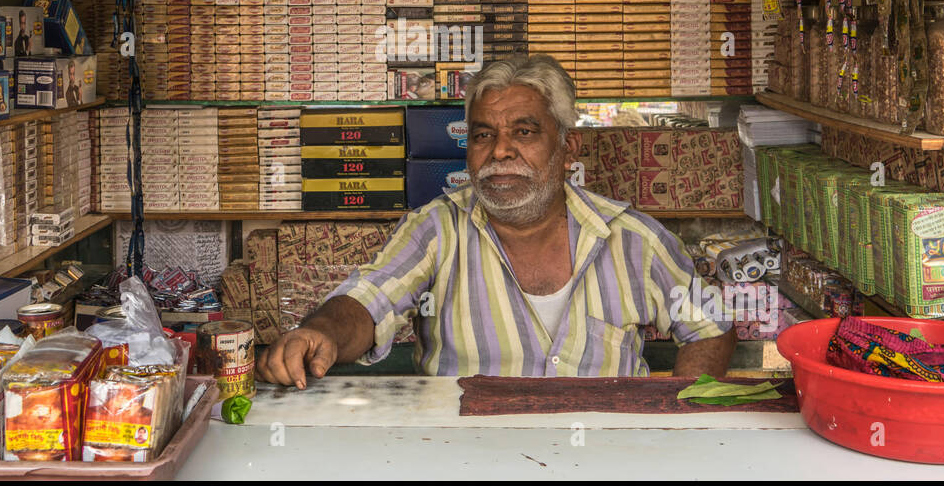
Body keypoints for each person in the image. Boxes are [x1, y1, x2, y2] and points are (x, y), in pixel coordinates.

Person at [258, 55, 736, 386]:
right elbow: (367, 302)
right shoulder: (436, 229)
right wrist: (320, 332)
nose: (500, 151)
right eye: (484, 135)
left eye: (524, 132)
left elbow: (710, 326)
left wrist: (677, 416)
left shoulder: (635, 240)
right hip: (468, 457)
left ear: (568, 147)